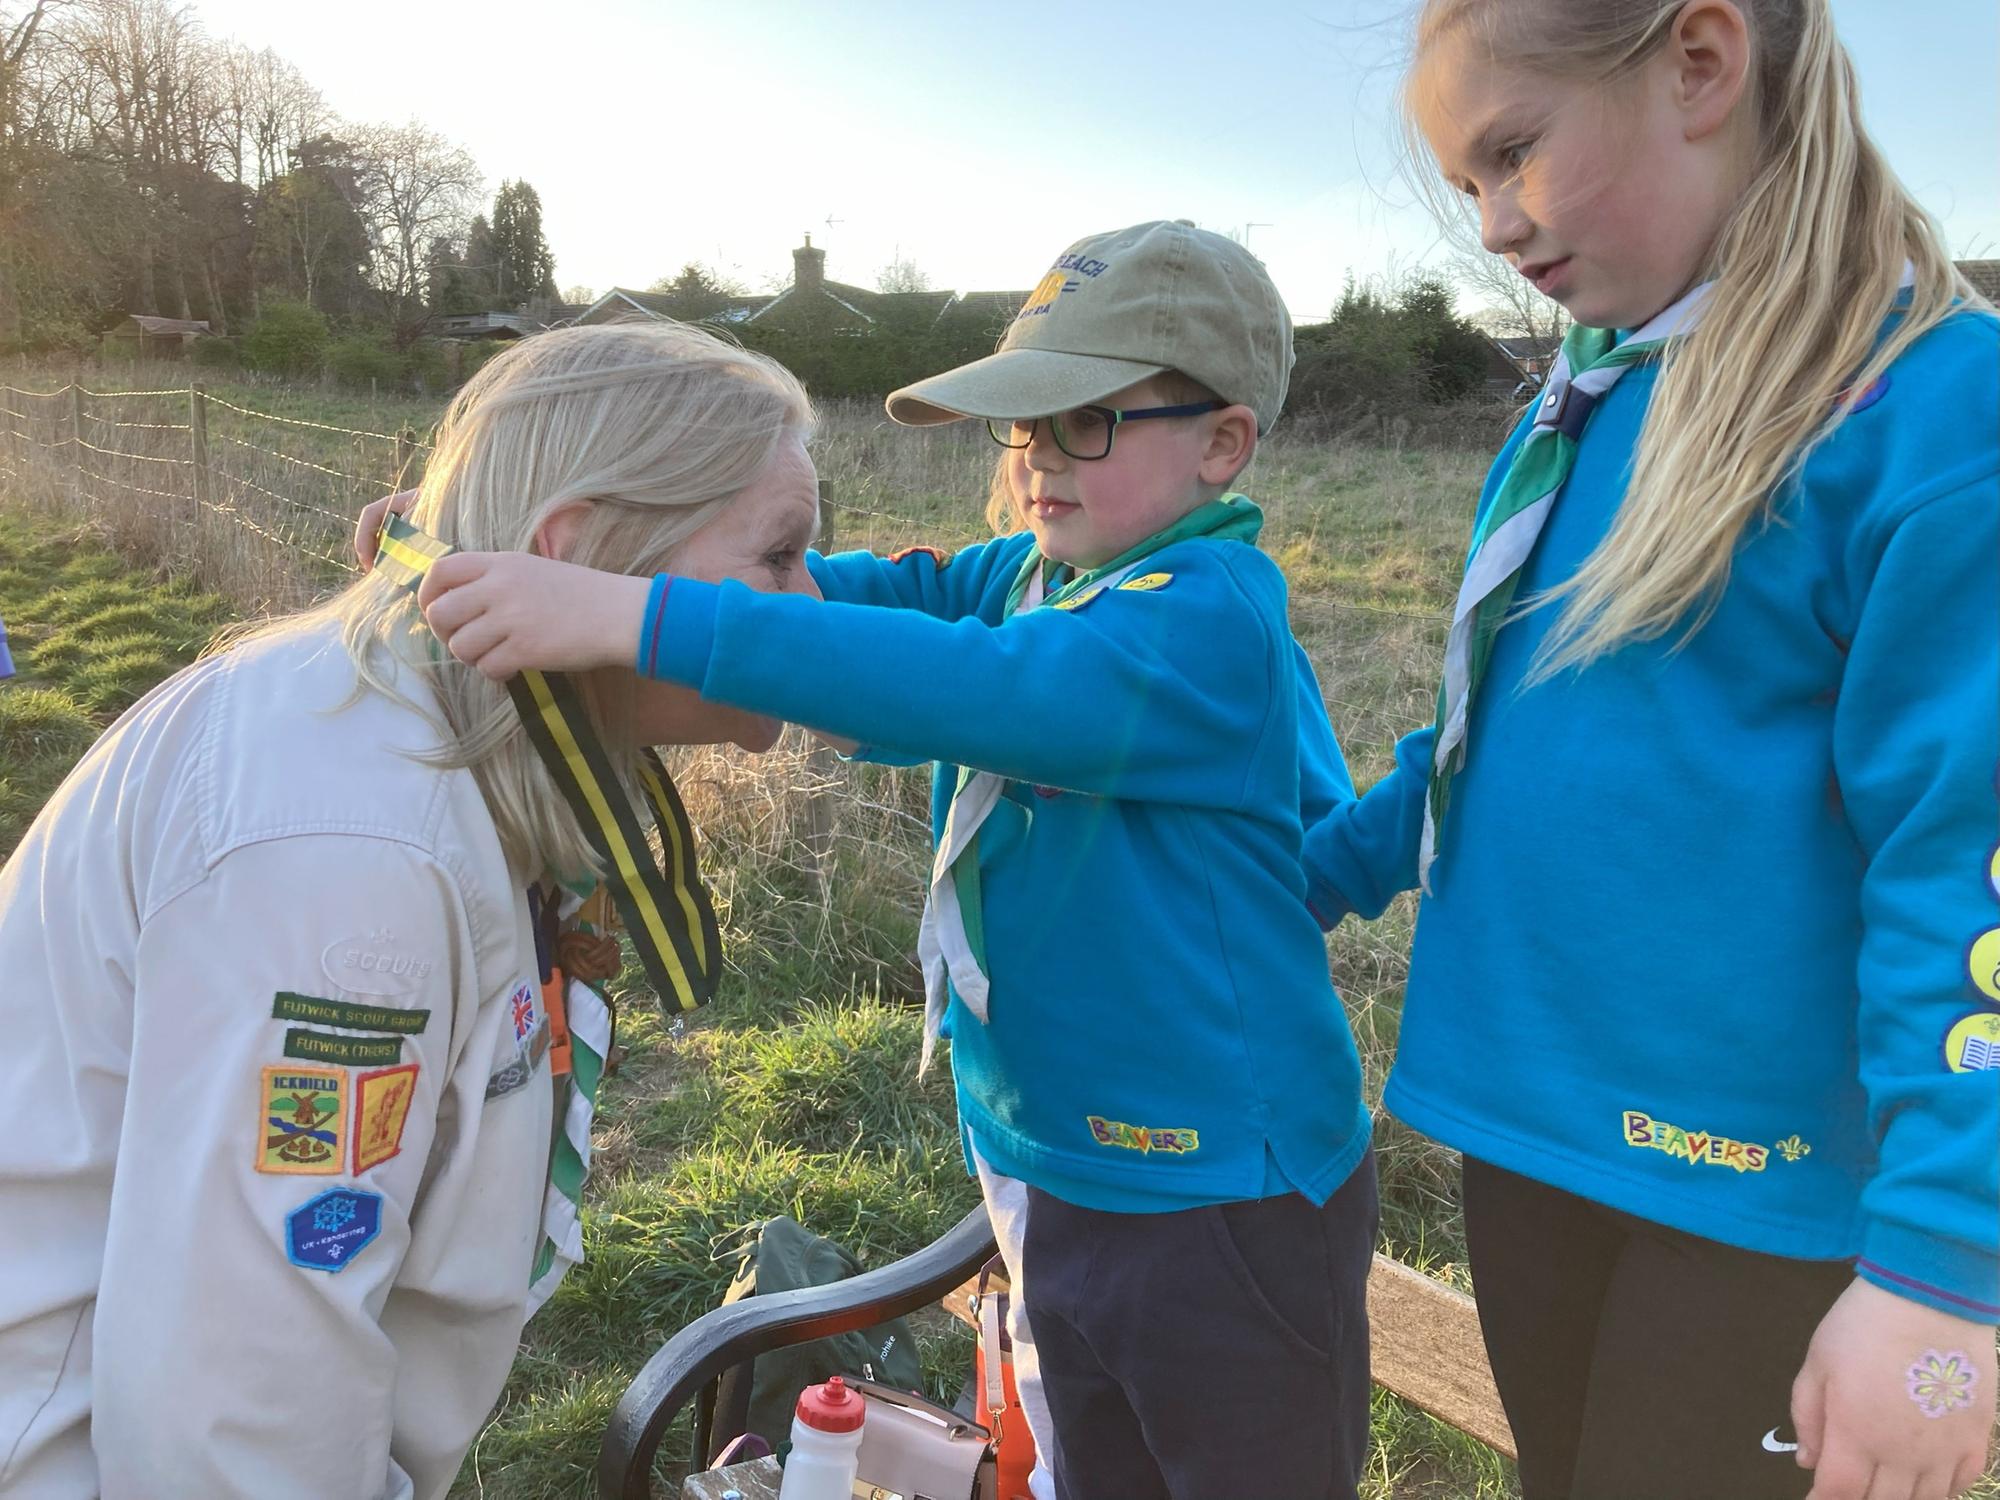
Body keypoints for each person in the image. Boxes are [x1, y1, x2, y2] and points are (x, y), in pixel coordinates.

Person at [403, 220, 1383, 1500]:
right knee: (1087, 1466)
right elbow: (856, 602)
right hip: (1051, 1165)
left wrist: (631, 617)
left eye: (1083, 422)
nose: (1037, 460)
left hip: (1220, 1202)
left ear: (1221, 444)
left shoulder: (1205, 621)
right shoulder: (1035, 576)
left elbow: (970, 687)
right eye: (1022, 427)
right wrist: (497, 547)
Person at [1300, 3, 1998, 1498]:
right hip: (1530, 1127)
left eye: (1514, 153)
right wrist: (1308, 877)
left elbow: (1970, 853)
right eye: (1464, 182)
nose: (1491, 225)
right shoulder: (1590, 396)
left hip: (1761, 1193)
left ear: (1698, 61)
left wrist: (1946, 1279)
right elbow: (1514, 717)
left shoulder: (1943, 412)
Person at [0, 321, 822, 1499]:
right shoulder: (353, 858)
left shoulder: (461, 734)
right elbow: (238, 1411)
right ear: (577, 551)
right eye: (783, 554)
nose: (814, 601)